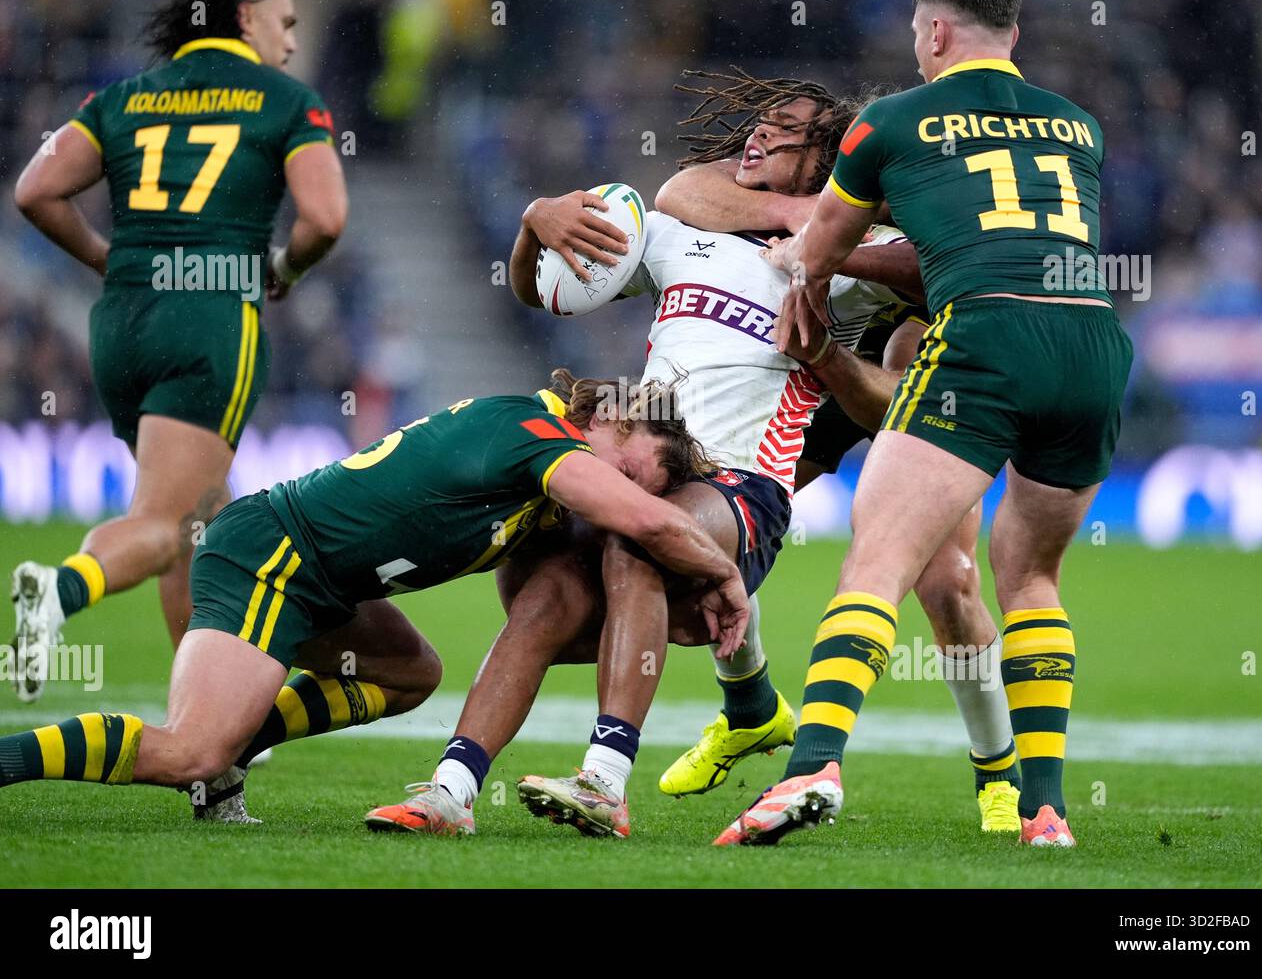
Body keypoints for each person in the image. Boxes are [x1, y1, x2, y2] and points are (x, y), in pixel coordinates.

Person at [365, 72, 1017, 838]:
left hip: (744, 489)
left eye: (785, 130)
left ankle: (605, 781)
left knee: (642, 542)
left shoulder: (856, 262)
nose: (759, 135)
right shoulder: (677, 230)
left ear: (825, 160)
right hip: (653, 468)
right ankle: (450, 792)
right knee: (543, 596)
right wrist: (533, 224)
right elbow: (540, 289)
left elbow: (926, 277)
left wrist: (825, 262)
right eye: (761, 123)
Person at [718, 0, 1133, 848]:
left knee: (879, 559)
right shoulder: (1079, 127)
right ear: (1011, 36)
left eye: (918, 36)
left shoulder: (893, 120)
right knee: (1031, 578)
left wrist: (804, 289)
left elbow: (815, 246)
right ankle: (1045, 810)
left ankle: (810, 767)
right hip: (1093, 346)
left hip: (984, 339)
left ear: (935, 32)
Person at [0, 374, 748, 825]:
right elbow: (650, 521)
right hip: (272, 560)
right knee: (192, 749)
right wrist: (725, 577)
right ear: (614, 419)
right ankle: (13, 759)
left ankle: (241, 748)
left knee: (409, 672)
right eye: (630, 467)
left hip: (321, 579)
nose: (620, 489)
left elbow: (532, 606)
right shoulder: (535, 434)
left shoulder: (535, 474)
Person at [10, 0, 347, 700]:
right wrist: (283, 267)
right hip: (211, 318)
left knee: (203, 528)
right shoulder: (286, 101)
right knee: (166, 523)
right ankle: (58, 591)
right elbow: (325, 219)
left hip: (123, 322)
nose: (291, 43)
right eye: (285, 24)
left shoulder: (125, 96)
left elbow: (35, 191)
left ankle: (207, 746)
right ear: (247, 17)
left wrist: (107, 257)